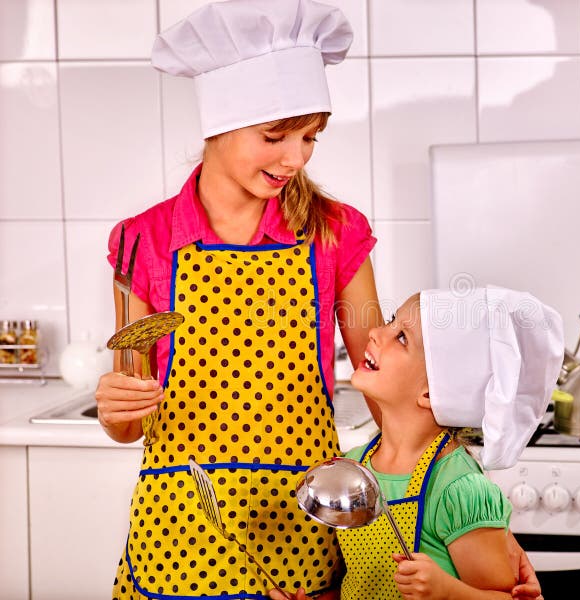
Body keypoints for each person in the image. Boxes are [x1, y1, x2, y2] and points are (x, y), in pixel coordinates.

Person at [94, 1, 381, 598]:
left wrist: (433, 501)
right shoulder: (140, 241)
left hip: (305, 521)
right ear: (217, 125)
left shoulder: (334, 232)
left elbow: (387, 385)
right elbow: (130, 413)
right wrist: (117, 410)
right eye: (274, 136)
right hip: (181, 532)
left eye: (310, 137)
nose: (295, 158)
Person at [273, 286, 563, 600]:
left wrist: (447, 592)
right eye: (390, 321)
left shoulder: (458, 488)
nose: (374, 333)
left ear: (431, 392)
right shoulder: (357, 465)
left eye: (401, 337)